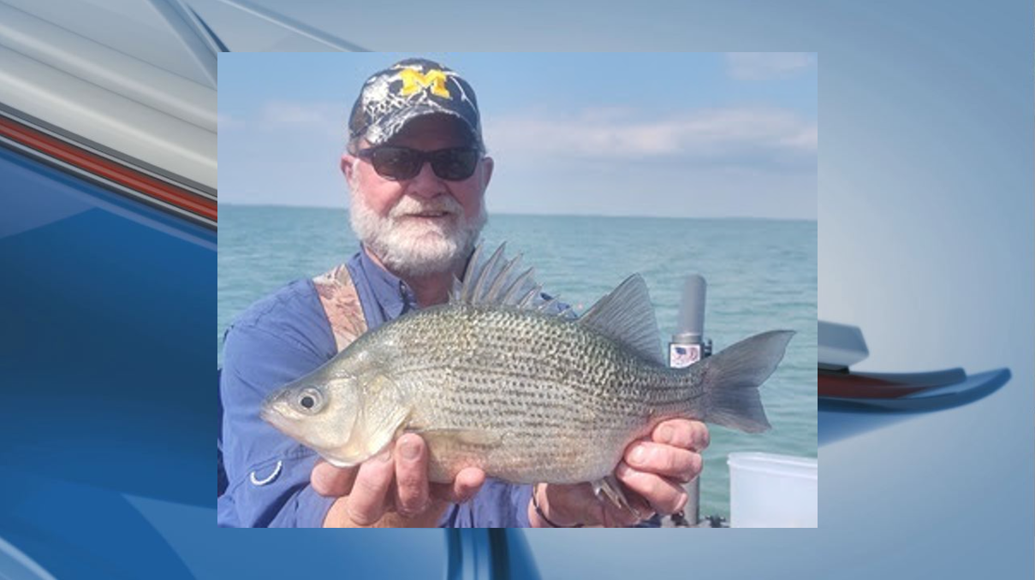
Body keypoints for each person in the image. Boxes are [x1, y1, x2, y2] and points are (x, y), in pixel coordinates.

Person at [218, 58, 710, 528]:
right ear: (351, 173)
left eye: (453, 161)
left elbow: (548, 510)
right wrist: (387, 521)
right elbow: (272, 528)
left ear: (484, 176)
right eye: (396, 160)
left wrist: (566, 509)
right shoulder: (273, 340)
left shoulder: (553, 328)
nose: (426, 184)